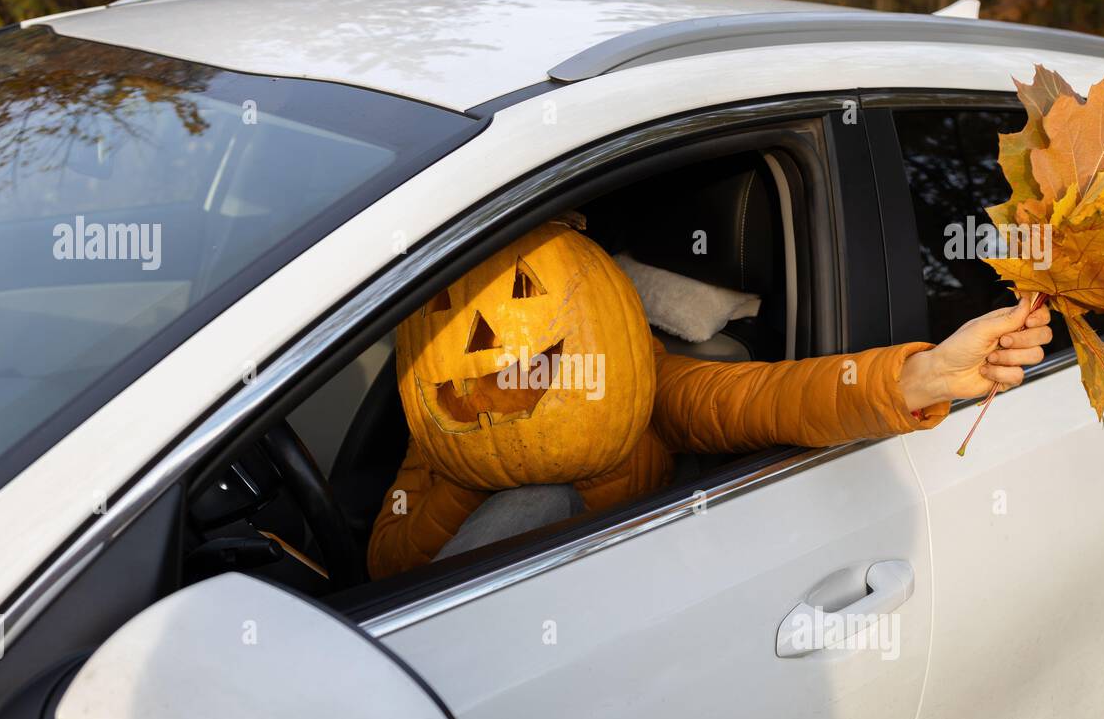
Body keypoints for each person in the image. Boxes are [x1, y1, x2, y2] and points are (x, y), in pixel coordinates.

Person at [367, 220, 1051, 579]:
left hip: (634, 605)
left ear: (598, 309)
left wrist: (918, 378)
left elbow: (757, 398)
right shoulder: (441, 416)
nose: (488, 343)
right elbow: (390, 568)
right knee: (524, 499)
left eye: (520, 296)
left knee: (535, 505)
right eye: (452, 311)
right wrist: (475, 461)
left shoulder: (641, 387)